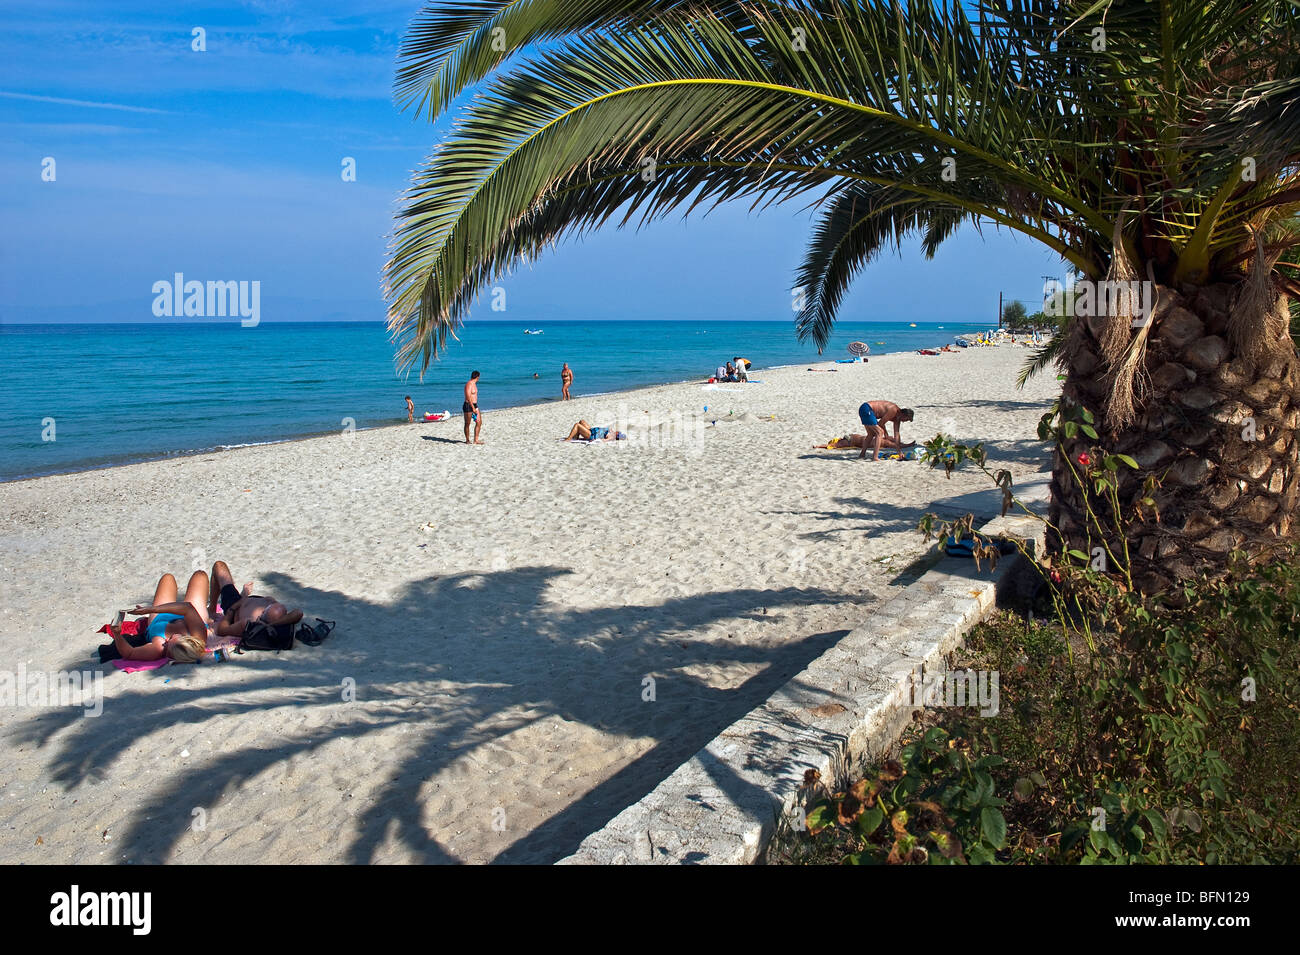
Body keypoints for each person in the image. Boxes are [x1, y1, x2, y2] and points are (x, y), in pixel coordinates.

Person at [108, 570, 211, 663]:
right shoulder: (198, 638)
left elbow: (129, 653)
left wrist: (117, 634)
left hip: (161, 617)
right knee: (200, 575)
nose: (166, 641)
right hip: (190, 614)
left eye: (166, 645)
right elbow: (187, 608)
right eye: (170, 639)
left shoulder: (158, 648)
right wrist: (151, 609)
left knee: (167, 578)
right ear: (186, 639)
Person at [208, 560, 303, 641]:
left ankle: (211, 610)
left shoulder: (249, 624)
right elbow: (298, 613)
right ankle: (244, 595)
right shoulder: (280, 619)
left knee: (219, 566)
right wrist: (272, 624)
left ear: (263, 615)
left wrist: (234, 607)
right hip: (247, 602)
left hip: (234, 605)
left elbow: (222, 631)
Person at [814, 432, 913, 451]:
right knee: (886, 442)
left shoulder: (844, 441)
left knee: (887, 440)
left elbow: (833, 444)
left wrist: (819, 446)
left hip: (864, 440)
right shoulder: (844, 441)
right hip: (864, 440)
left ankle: (903, 445)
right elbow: (833, 445)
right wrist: (818, 446)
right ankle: (904, 445)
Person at [463, 371, 483, 444]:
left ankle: (476, 440)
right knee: (467, 423)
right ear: (477, 377)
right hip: (468, 405)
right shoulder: (469, 384)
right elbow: (468, 396)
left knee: (479, 422)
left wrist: (475, 407)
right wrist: (472, 407)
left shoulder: (474, 384)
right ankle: (467, 440)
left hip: (475, 405)